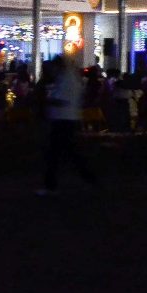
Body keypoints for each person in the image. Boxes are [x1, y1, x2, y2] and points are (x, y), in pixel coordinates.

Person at [38, 57, 98, 195]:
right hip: (67, 119)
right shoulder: (71, 78)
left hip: (63, 119)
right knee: (68, 153)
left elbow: (62, 100)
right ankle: (89, 179)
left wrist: (46, 101)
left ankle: (51, 186)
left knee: (57, 154)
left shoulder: (66, 80)